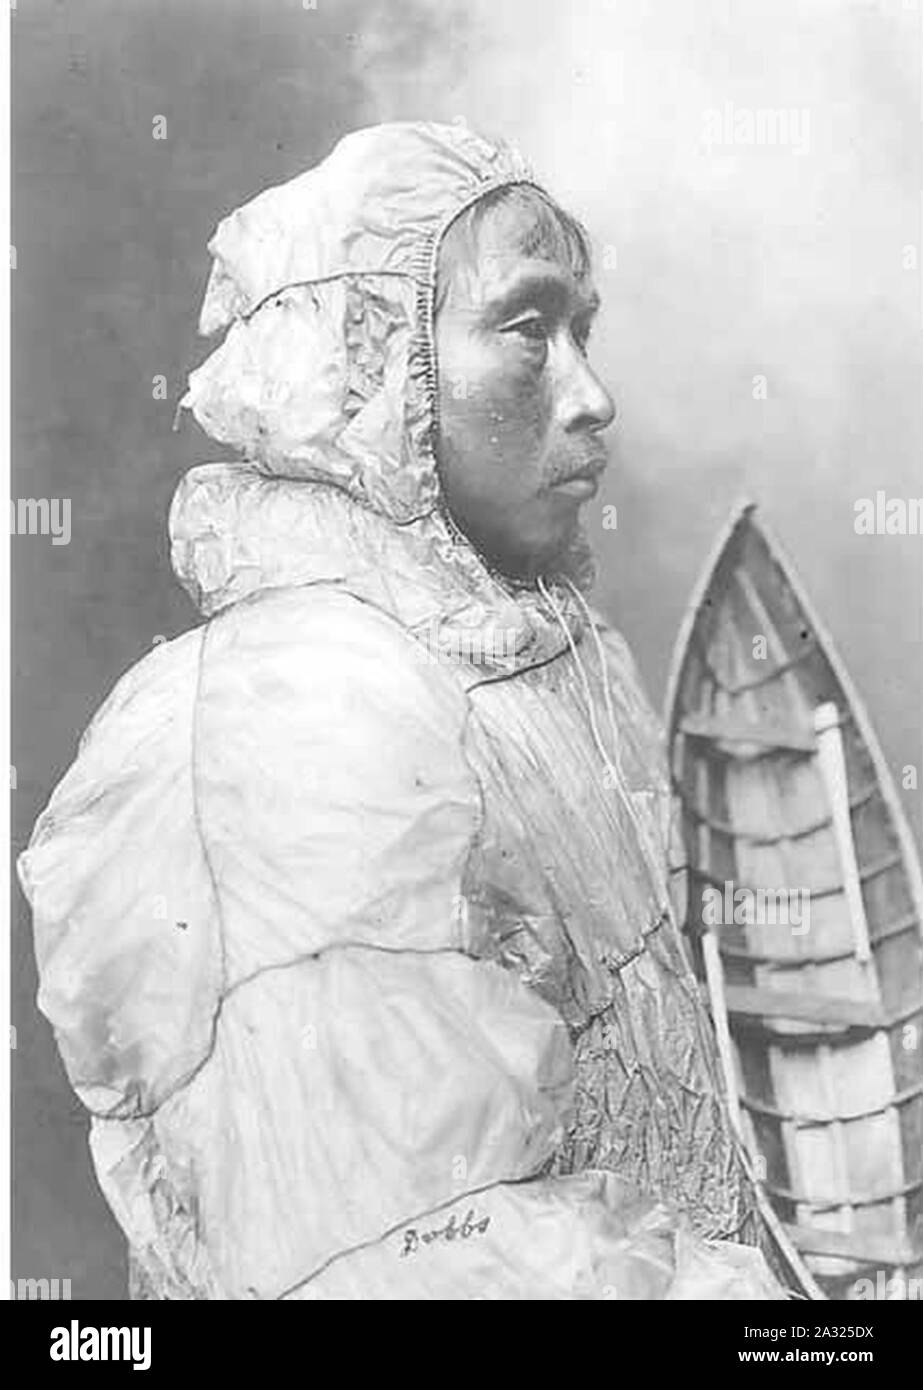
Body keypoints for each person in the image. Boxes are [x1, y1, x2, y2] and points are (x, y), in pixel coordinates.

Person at [19, 122, 788, 1299]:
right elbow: (399, 1263)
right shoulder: (280, 721)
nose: (593, 398)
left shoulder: (528, 656)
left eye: (583, 333)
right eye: (528, 329)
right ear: (370, 369)